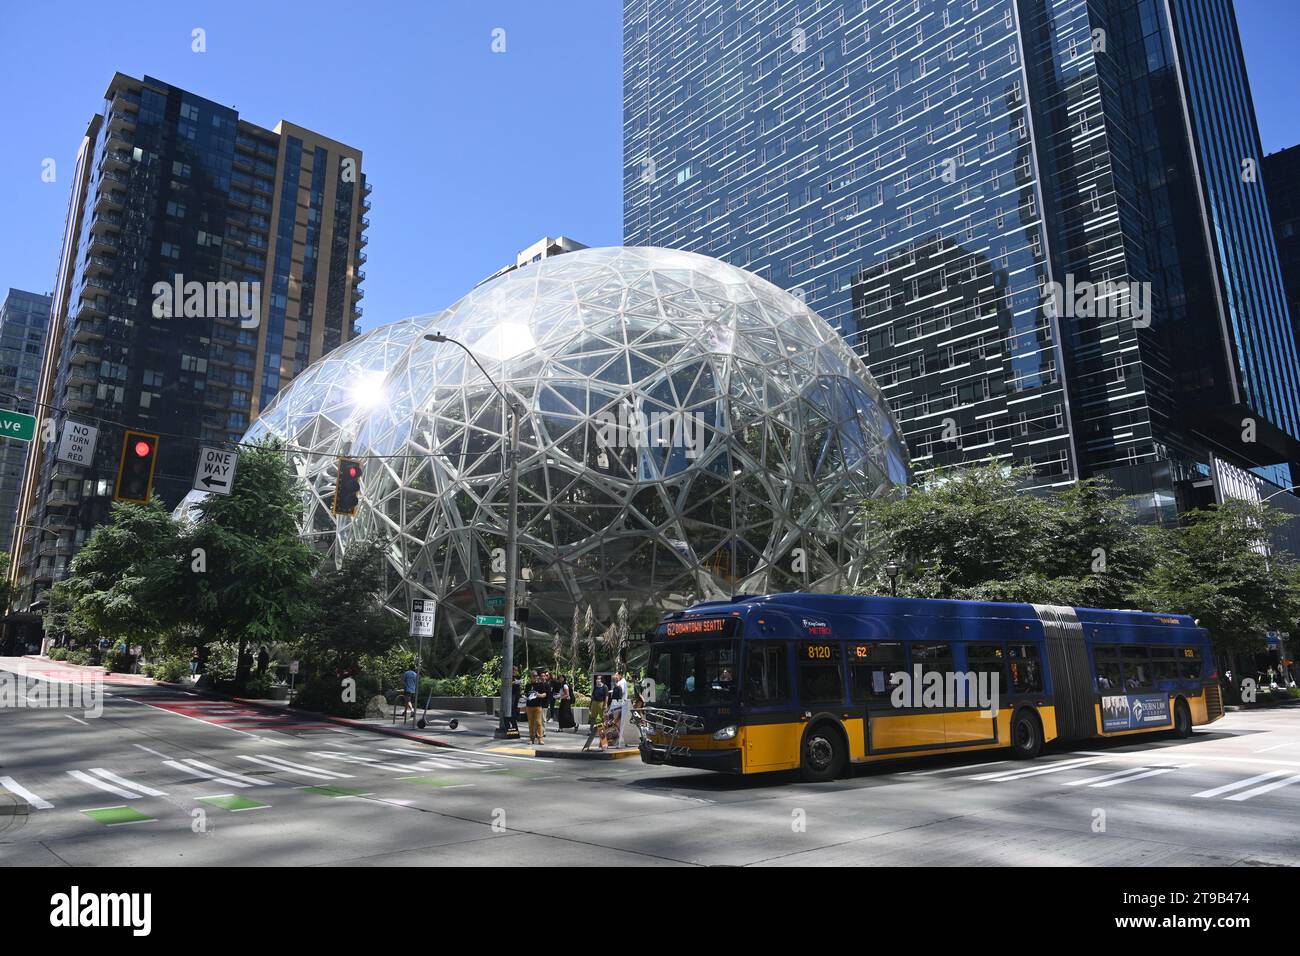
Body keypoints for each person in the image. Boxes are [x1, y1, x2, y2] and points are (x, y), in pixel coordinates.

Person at [583, 677, 609, 751]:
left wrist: (605, 704)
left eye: (599, 679)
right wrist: (590, 704)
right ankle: (590, 730)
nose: (598, 680)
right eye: (597, 679)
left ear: (602, 680)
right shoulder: (596, 687)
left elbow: (606, 696)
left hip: (601, 703)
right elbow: (593, 696)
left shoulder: (605, 687)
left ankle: (603, 731)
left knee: (602, 717)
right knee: (593, 717)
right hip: (595, 702)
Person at [525, 670, 549, 744]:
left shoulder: (540, 685)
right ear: (531, 677)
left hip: (538, 706)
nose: (535, 677)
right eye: (533, 676)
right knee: (531, 723)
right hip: (529, 706)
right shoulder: (528, 685)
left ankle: (540, 739)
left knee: (539, 723)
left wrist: (539, 695)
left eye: (536, 676)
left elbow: (545, 694)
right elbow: (526, 694)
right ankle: (531, 739)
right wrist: (525, 697)